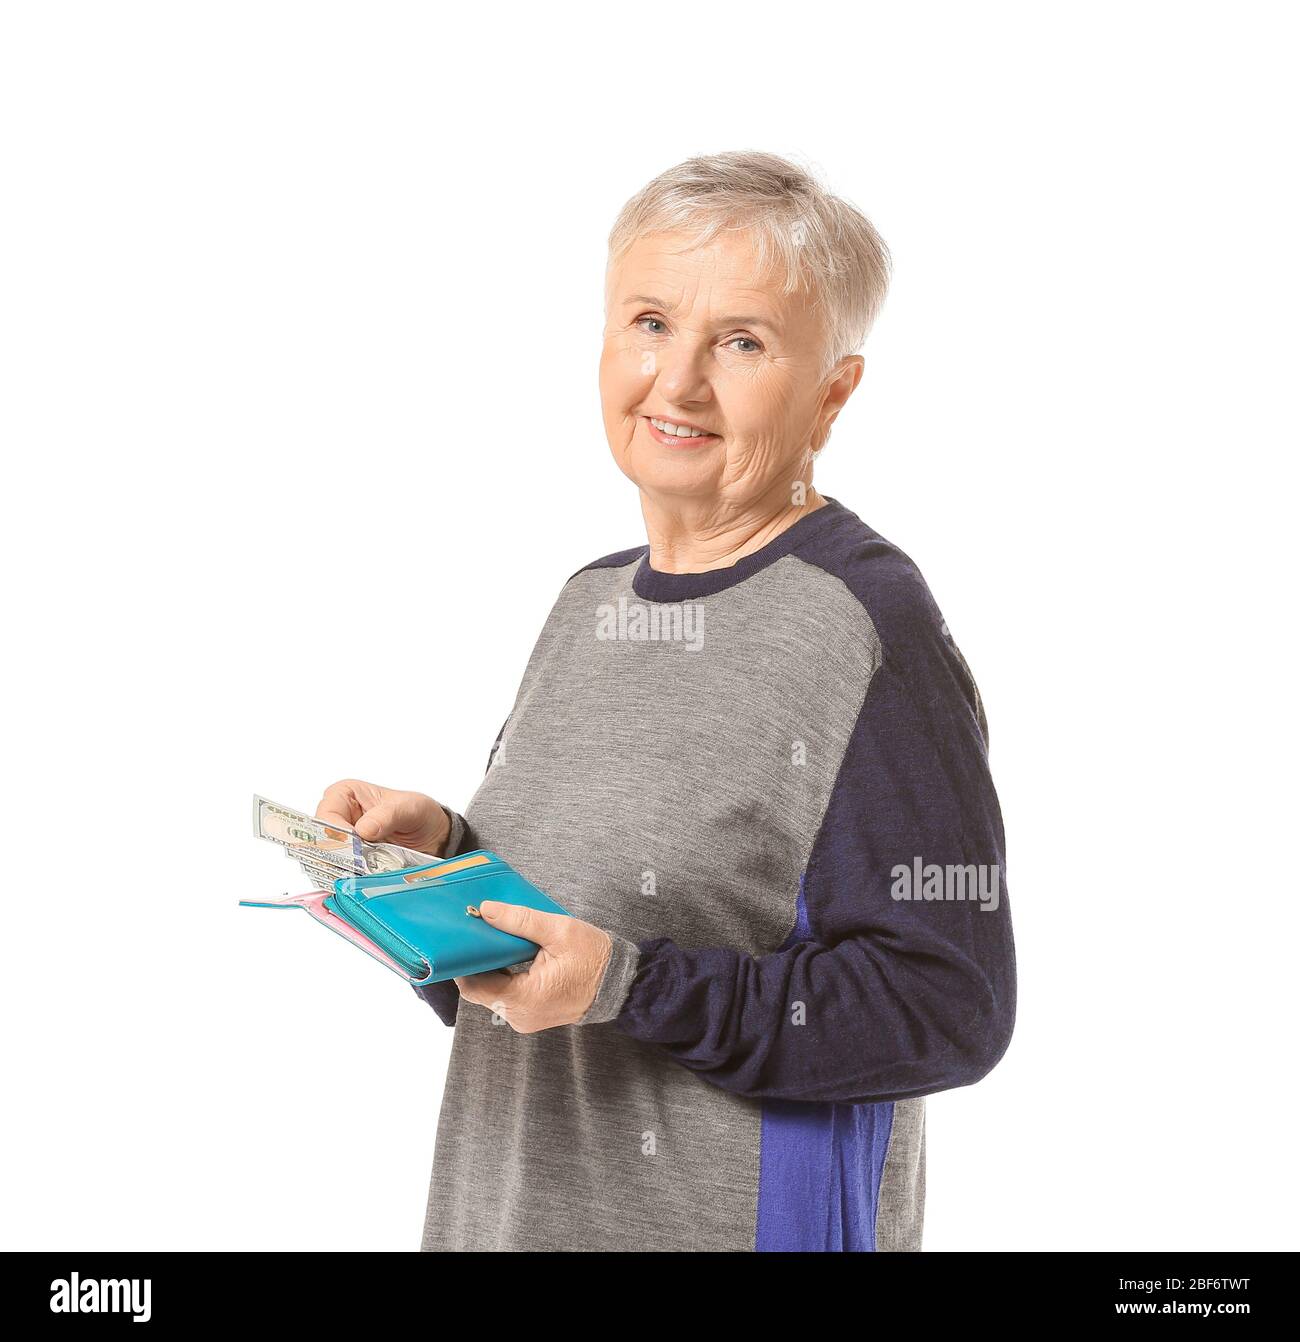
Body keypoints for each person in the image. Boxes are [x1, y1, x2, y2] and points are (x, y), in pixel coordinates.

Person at [316, 150, 1016, 1252]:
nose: (677, 384)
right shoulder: (587, 602)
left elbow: (947, 1006)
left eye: (740, 342)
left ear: (832, 389)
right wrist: (440, 866)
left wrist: (636, 988)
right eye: (649, 322)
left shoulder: (867, 623)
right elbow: (543, 974)